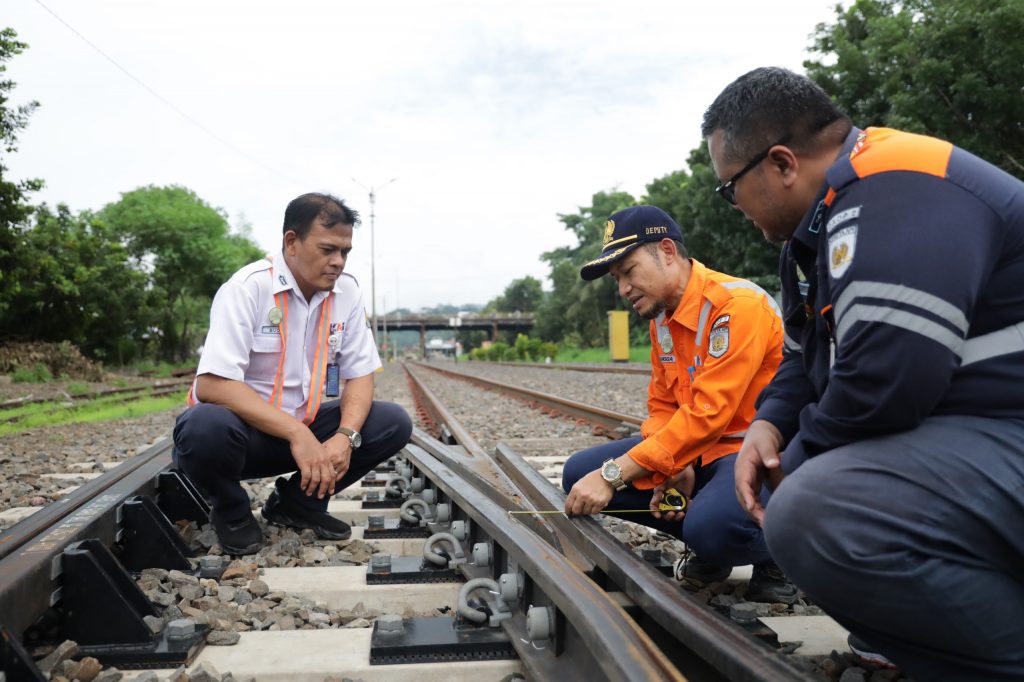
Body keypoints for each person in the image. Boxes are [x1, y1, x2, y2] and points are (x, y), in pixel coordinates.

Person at [703, 67, 1024, 681]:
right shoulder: (818, 229)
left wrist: (793, 463)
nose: (735, 205)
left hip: (1004, 428)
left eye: (729, 188)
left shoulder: (897, 184)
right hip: (982, 432)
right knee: (793, 486)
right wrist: (769, 425)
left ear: (780, 163)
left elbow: (885, 382)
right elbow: (805, 355)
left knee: (815, 510)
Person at [561, 204, 796, 603]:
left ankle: (778, 553)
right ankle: (713, 546)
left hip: (760, 456)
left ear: (667, 251)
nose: (623, 290)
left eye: (629, 271)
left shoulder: (736, 306)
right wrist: (676, 465)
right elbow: (663, 408)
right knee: (578, 472)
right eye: (617, 279)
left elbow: (709, 415)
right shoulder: (662, 320)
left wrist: (615, 474)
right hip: (704, 455)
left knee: (708, 527)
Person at [173, 193, 412, 555]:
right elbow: (212, 384)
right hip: (240, 437)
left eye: (345, 252)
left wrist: (344, 436)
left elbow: (360, 375)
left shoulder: (346, 292)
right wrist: (297, 433)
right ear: (291, 243)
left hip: (302, 437)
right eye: (328, 249)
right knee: (204, 425)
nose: (338, 262)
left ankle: (298, 505)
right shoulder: (249, 288)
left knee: (391, 421)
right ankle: (232, 510)